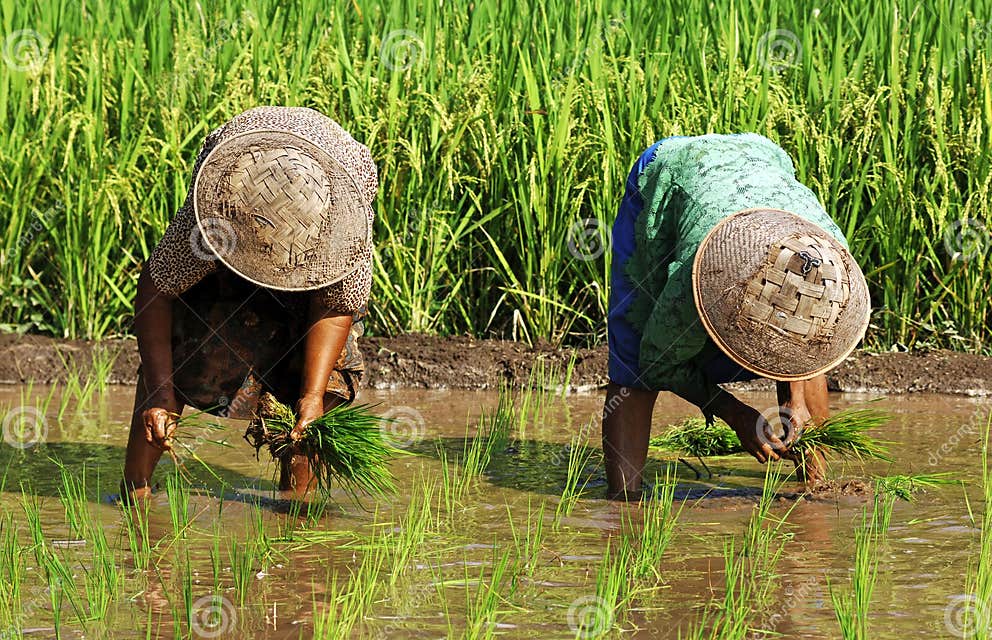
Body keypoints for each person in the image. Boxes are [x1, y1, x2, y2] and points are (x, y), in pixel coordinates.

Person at [121, 106, 377, 503]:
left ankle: (294, 512)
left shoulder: (343, 217)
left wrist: (310, 396)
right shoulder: (218, 207)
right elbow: (157, 289)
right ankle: (133, 494)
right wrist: (161, 392)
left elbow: (336, 304)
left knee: (323, 388)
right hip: (234, 238)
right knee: (178, 353)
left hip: (317, 225)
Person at [602, 133, 871, 500]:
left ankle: (815, 487)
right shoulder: (696, 275)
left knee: (809, 337)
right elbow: (655, 361)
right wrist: (735, 414)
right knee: (632, 354)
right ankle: (623, 502)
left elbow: (808, 330)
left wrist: (795, 403)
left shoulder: (830, 257)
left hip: (763, 157)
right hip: (673, 173)